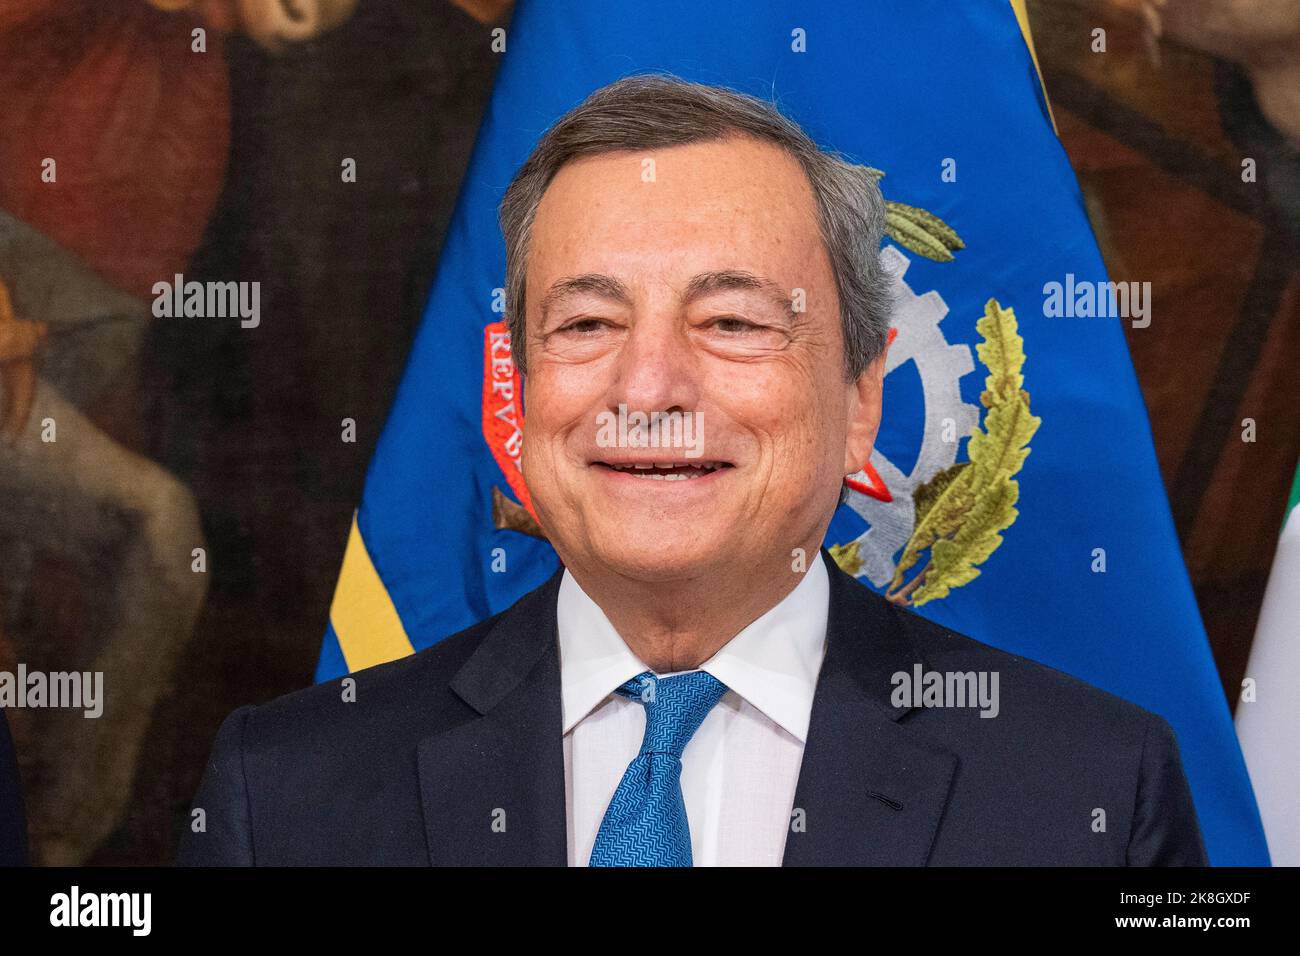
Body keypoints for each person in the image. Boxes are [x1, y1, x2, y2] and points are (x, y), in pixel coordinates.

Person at [179, 75, 1207, 866]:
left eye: (730, 321)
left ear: (861, 400)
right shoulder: (287, 795)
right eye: (586, 322)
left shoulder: (1091, 795)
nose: (650, 384)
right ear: (519, 392)